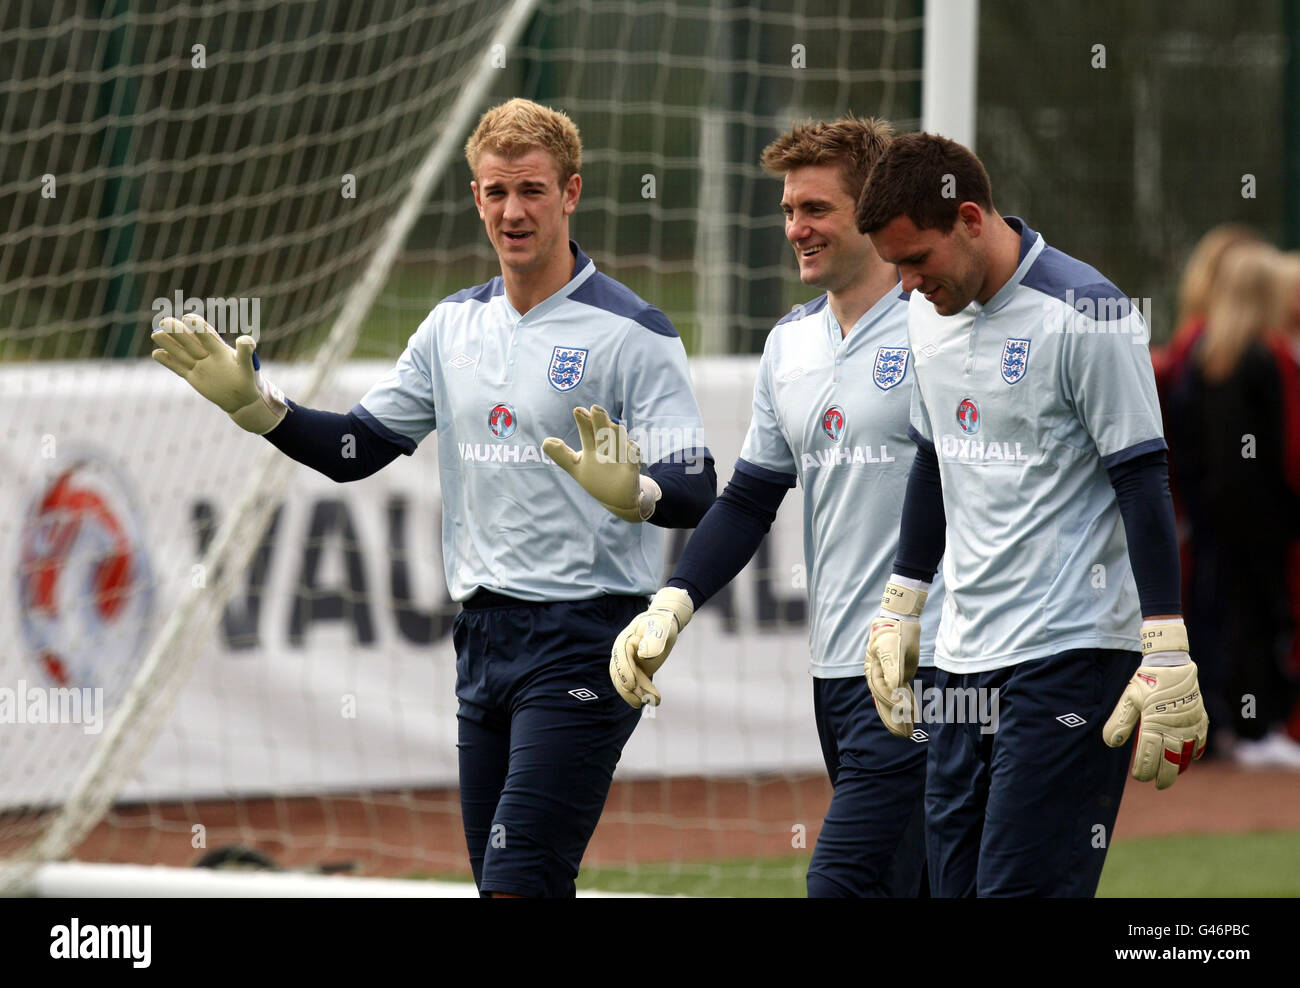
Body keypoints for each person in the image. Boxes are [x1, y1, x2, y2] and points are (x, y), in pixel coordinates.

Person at [150, 98, 717, 897]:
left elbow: (699, 487)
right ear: (477, 197)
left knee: (520, 875)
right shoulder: (452, 326)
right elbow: (356, 450)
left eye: (530, 190)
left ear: (572, 193)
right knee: (503, 881)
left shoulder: (635, 330)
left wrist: (638, 494)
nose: (512, 211)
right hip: (482, 638)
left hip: (587, 637)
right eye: (495, 192)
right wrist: (259, 408)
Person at [855, 132, 1208, 897]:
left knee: (1020, 890)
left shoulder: (1088, 313)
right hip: (961, 656)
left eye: (918, 260)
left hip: (1069, 654)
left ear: (971, 218)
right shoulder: (921, 314)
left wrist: (1168, 645)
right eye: (897, 267)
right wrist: (902, 604)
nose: (909, 285)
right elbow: (932, 456)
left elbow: (1143, 477)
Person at [606, 116, 943, 897]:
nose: (796, 228)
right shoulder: (789, 342)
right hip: (835, 672)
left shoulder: (939, 325)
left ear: (870, 210)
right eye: (789, 209)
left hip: (930, 665)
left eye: (816, 209)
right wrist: (672, 604)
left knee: (841, 881)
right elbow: (752, 497)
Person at [1166, 244, 1300, 768]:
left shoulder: (1209, 353)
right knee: (1252, 619)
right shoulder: (1254, 358)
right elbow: (1260, 455)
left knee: (1222, 617)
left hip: (1215, 519)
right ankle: (1253, 726)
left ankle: (1228, 724)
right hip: (1250, 521)